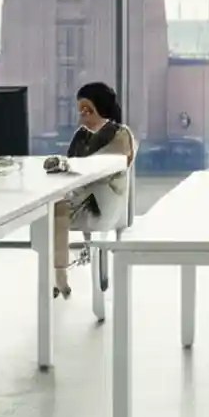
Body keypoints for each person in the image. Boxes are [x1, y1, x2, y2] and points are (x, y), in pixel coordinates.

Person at [53, 82, 137, 298]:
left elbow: (102, 167)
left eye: (88, 110)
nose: (83, 116)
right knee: (53, 206)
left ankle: (60, 274)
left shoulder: (120, 134)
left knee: (55, 210)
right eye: (80, 110)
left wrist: (71, 168)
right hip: (82, 197)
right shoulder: (82, 135)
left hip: (105, 202)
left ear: (103, 108)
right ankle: (58, 270)